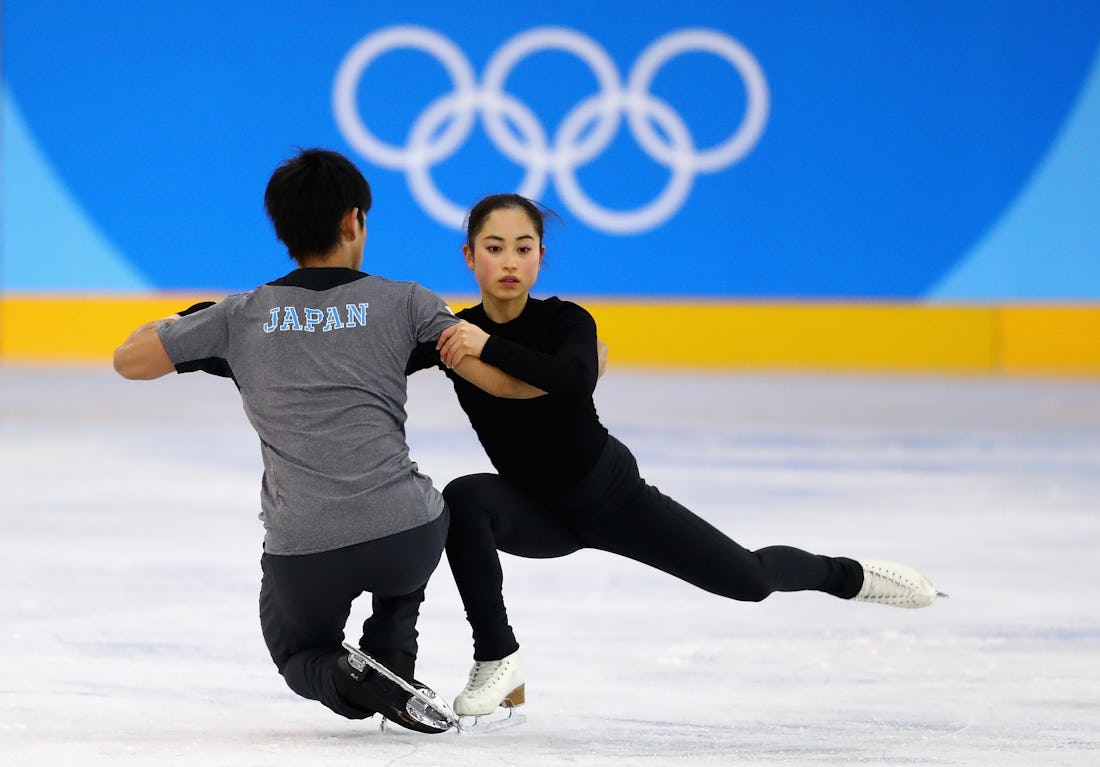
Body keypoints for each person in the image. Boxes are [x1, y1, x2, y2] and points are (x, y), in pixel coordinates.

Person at [407, 193, 943, 718]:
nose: (509, 262)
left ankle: (848, 576)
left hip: (610, 497)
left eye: (524, 248)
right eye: (494, 248)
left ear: (541, 257)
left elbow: (574, 381)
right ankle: (498, 656)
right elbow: (378, 362)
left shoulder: (565, 321)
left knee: (751, 582)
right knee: (465, 499)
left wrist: (486, 347)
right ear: (469, 256)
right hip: (537, 511)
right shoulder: (454, 333)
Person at [112, 150, 541, 732]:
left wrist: (193, 322)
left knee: (297, 653)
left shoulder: (242, 316)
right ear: (353, 221)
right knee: (423, 520)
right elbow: (495, 372)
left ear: (284, 230)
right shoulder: (408, 302)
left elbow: (129, 362)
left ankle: (347, 677)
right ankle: (392, 654)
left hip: (306, 549)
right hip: (405, 535)